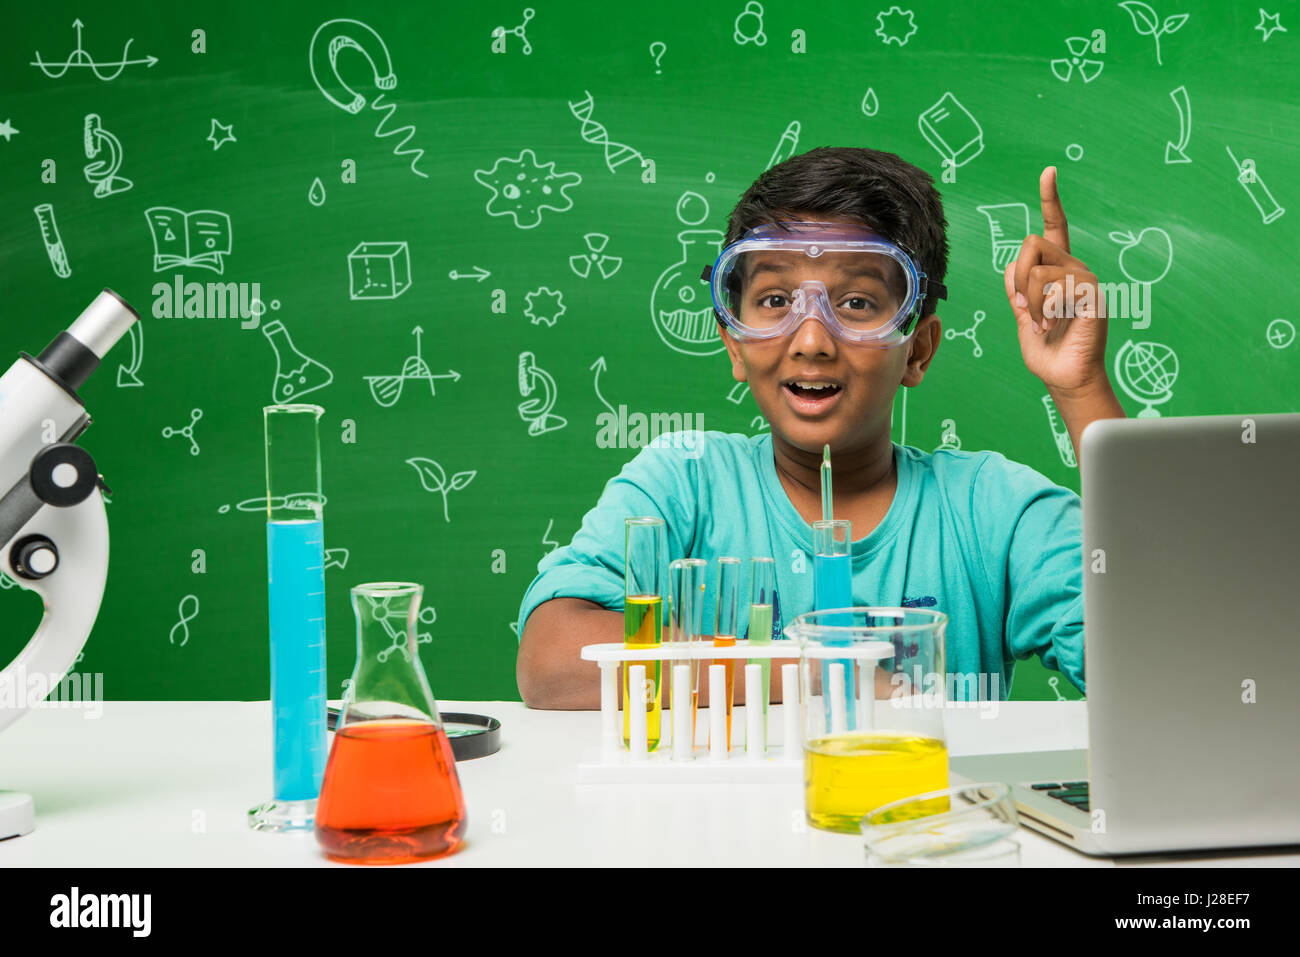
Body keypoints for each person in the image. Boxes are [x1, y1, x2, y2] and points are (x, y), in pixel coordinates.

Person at [515, 146, 1124, 710]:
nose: (810, 340)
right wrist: (816, 671)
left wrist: (1082, 388)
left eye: (857, 303)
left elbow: (1156, 654)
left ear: (917, 351)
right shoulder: (685, 482)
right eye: (776, 301)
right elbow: (551, 659)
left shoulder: (992, 509)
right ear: (734, 342)